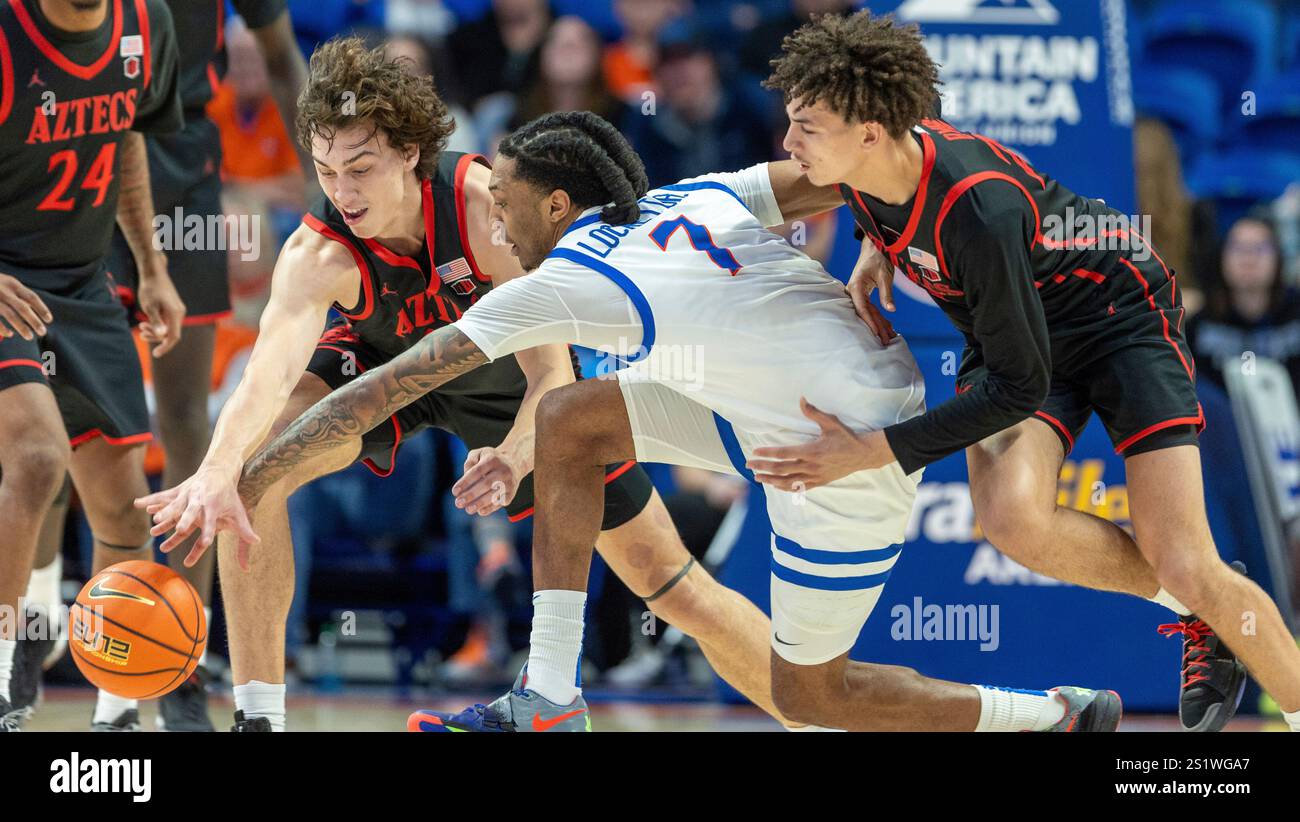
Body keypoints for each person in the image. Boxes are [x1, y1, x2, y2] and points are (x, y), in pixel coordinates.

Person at [225, 110, 1124, 733]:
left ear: (557, 206)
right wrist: (886, 250)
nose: (492, 214)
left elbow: (379, 391)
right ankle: (548, 692)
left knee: (811, 694)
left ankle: (1046, 715)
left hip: (844, 451)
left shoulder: (563, 277)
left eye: (506, 199)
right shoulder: (699, 191)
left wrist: (243, 480)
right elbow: (840, 175)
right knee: (577, 417)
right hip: (797, 405)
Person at [137, 39, 800, 732]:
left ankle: (812, 716)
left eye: (361, 167)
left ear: (409, 153)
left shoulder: (485, 209)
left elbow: (550, 373)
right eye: (327, 170)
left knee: (675, 590)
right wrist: (214, 470)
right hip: (382, 368)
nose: (343, 190)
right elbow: (266, 376)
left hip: (509, 385)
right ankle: (258, 719)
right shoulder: (318, 252)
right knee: (253, 474)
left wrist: (514, 456)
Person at [759, 10, 1300, 732]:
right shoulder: (864, 162)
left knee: (1188, 558)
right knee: (1012, 519)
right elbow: (892, 190)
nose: (788, 144)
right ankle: (1197, 610)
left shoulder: (977, 209)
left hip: (1119, 317)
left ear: (869, 132)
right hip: (1018, 319)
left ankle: (1233, 628)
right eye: (791, 121)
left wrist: (873, 453)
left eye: (806, 126)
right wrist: (872, 248)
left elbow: (1015, 386)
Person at [0, 0, 184, 731]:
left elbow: (127, 138)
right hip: (5, 278)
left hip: (82, 280)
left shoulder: (146, 22)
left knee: (120, 499)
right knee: (38, 458)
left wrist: (152, 266)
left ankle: (119, 708)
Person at [1187, 210, 1300, 393]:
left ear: (1278, 259)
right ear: (1221, 258)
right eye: (1237, 248)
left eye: (1259, 249)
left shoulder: (1295, 313)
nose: (1248, 259)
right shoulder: (1201, 324)